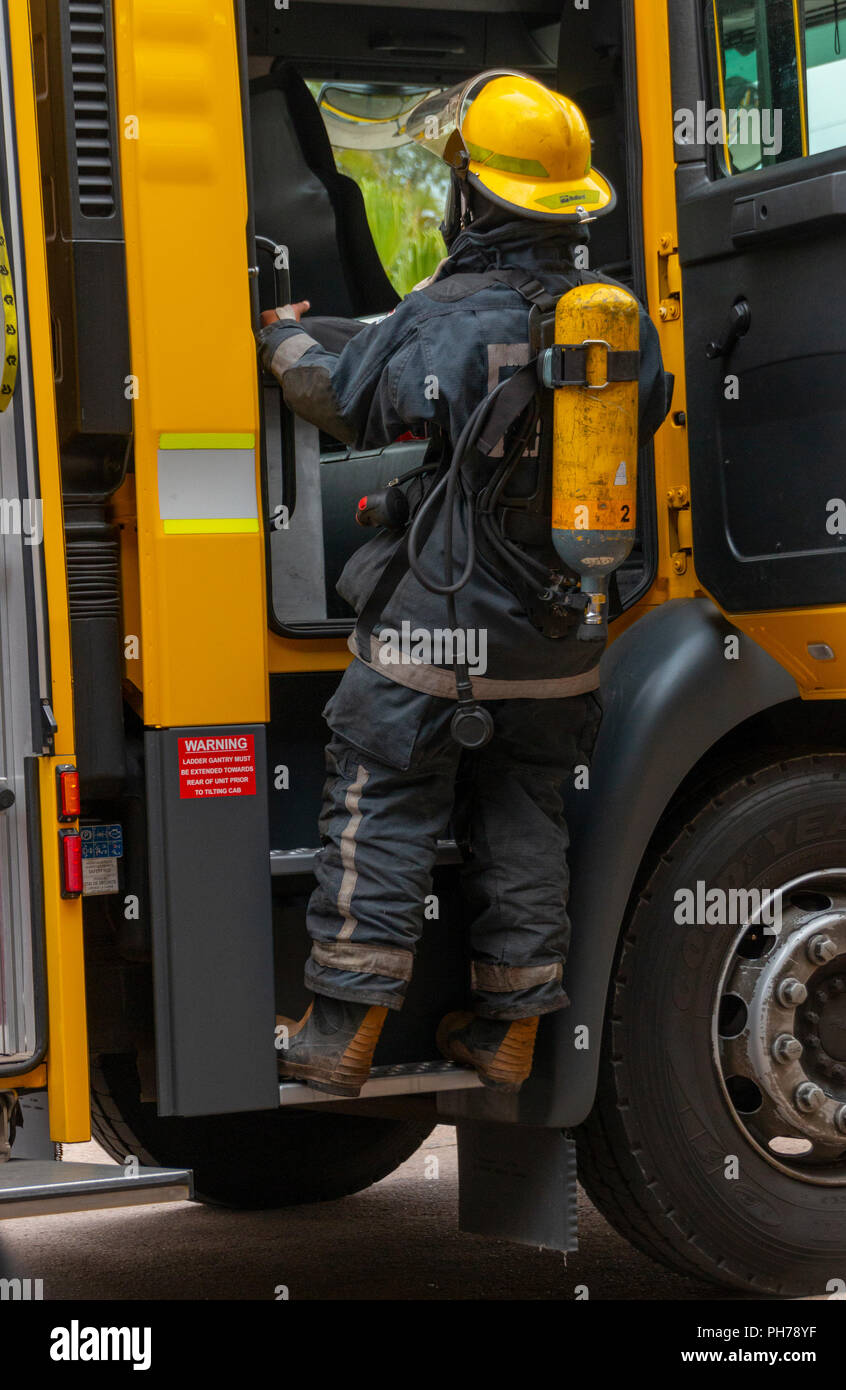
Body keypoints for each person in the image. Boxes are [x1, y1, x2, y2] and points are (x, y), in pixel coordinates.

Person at [258, 72, 670, 1098]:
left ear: (474, 198)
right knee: (525, 812)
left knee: (380, 795)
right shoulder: (621, 321)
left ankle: (339, 1032)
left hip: (440, 636)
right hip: (564, 637)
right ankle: (507, 1034)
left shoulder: (451, 309)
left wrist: (281, 338)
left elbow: (342, 397)